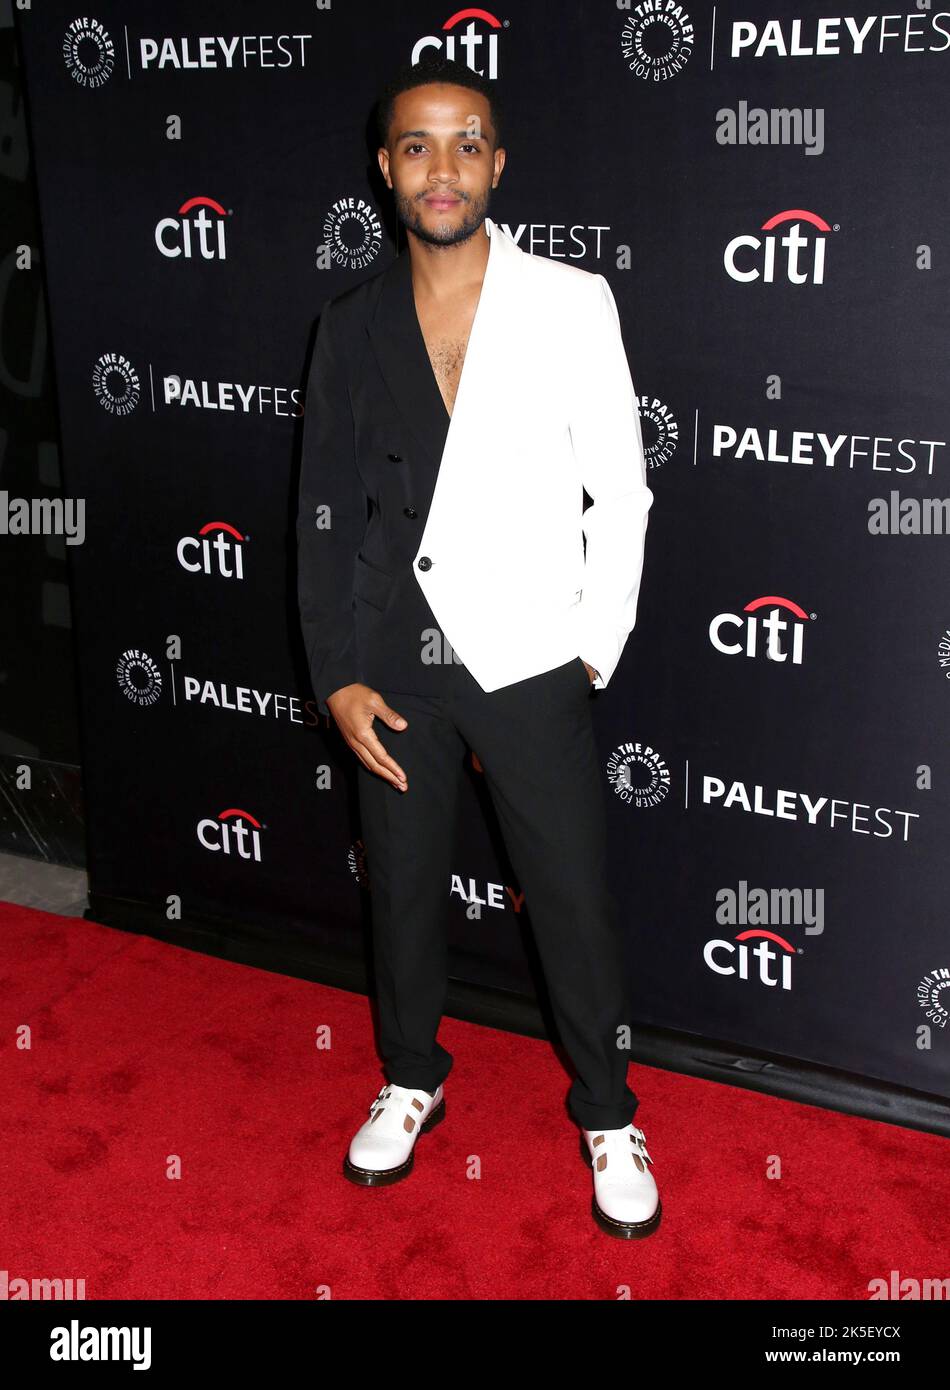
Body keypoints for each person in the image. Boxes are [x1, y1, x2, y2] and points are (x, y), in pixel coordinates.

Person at [296, 54, 658, 1238]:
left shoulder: (570, 298)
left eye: (463, 143)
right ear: (383, 169)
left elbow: (623, 490)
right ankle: (410, 1078)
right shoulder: (348, 325)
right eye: (414, 146)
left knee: (569, 898)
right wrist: (337, 670)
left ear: (496, 162)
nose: (438, 167)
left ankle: (607, 1110)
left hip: (531, 654)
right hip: (396, 660)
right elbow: (323, 508)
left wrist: (590, 647)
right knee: (398, 886)